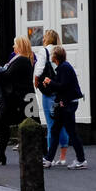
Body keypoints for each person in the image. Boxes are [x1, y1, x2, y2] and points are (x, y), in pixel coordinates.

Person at [0, 37, 34, 165]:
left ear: (20, 46)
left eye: (15, 45)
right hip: (21, 98)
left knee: (29, 125)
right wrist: (0, 68)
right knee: (5, 126)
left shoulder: (22, 60)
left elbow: (7, 75)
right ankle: (0, 155)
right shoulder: (22, 60)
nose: (13, 47)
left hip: (20, 100)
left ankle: (44, 154)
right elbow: (9, 74)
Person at [39, 45, 87, 169]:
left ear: (56, 57)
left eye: (52, 55)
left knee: (71, 132)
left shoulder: (64, 68)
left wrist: (50, 82)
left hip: (68, 103)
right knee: (56, 130)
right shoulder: (62, 67)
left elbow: (63, 86)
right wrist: (50, 83)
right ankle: (49, 159)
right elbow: (60, 85)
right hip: (65, 103)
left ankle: (81, 160)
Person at [34, 30, 70, 166]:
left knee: (51, 124)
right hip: (60, 89)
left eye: (44, 37)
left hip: (48, 90)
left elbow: (39, 68)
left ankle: (50, 157)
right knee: (62, 124)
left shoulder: (44, 51)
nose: (43, 39)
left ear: (47, 39)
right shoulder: (60, 50)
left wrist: (36, 81)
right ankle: (63, 156)